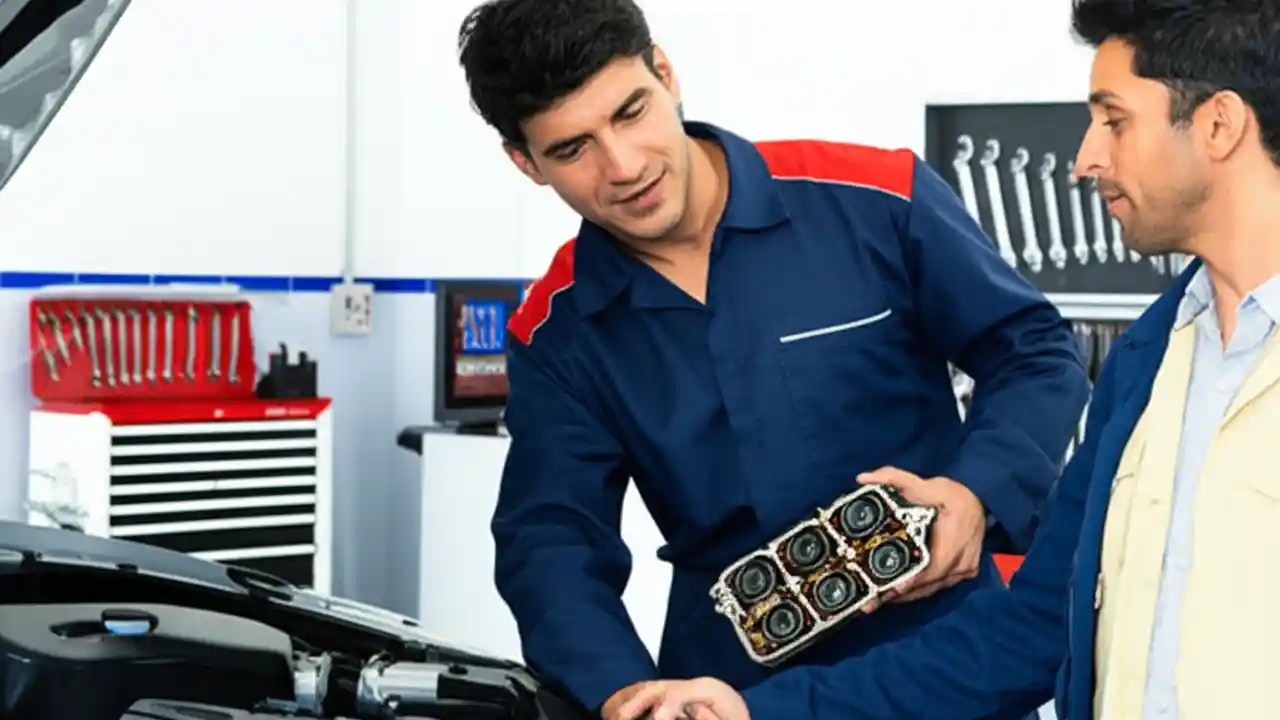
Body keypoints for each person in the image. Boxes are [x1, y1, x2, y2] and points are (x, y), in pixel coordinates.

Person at [617, 1, 1280, 719]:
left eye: (1114, 120)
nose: (1087, 157)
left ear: (1218, 124)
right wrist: (757, 711)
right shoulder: (1150, 361)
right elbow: (1031, 631)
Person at [455, 1, 1089, 718]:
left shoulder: (874, 199)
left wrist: (977, 491)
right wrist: (625, 694)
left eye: (631, 112)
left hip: (944, 668)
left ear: (665, 73)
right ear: (525, 162)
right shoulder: (558, 331)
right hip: (731, 696)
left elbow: (1033, 351)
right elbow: (552, 539)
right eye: (573, 149)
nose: (623, 166)